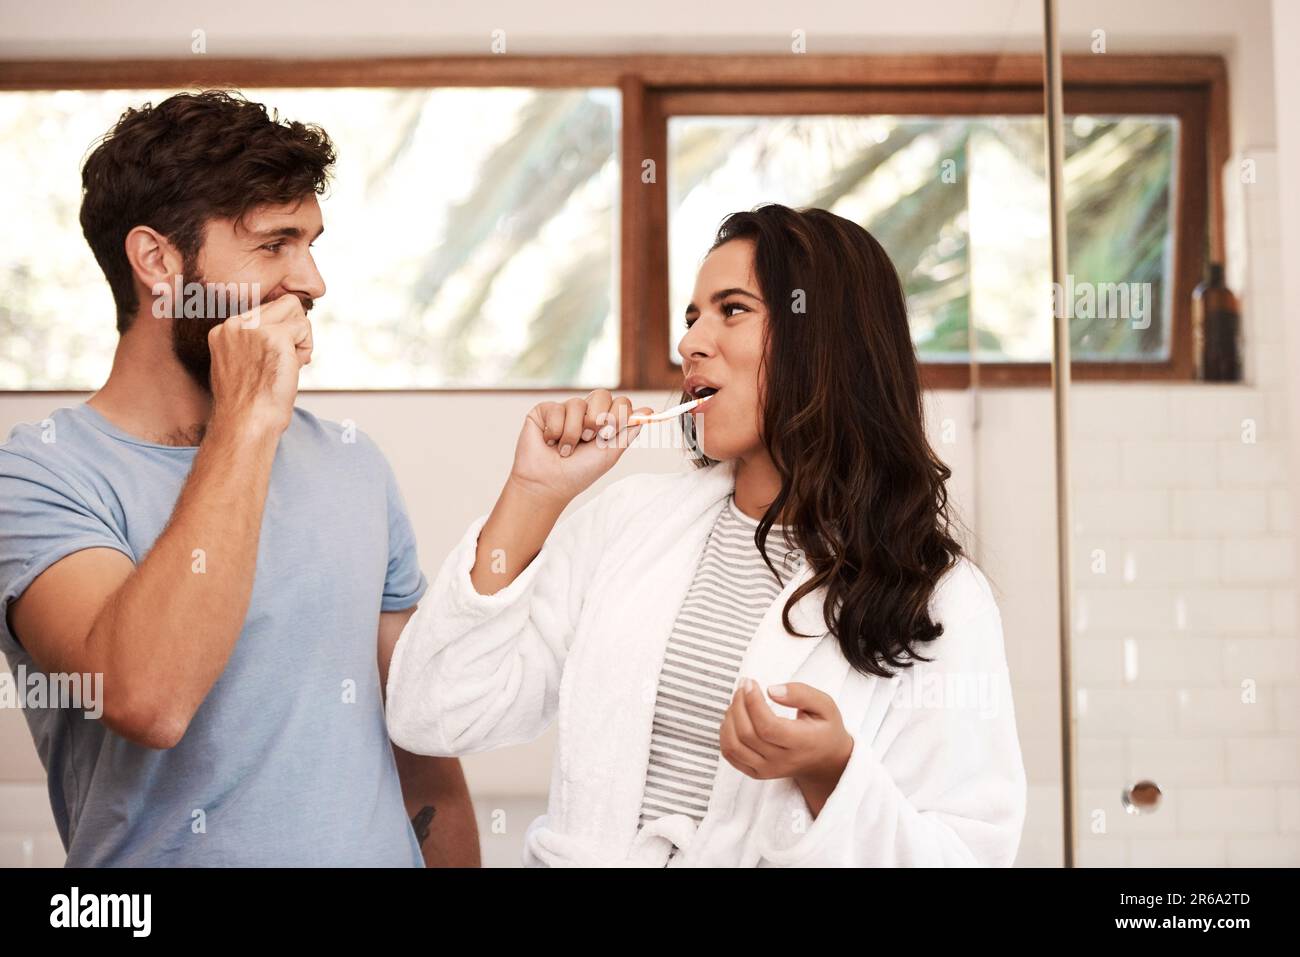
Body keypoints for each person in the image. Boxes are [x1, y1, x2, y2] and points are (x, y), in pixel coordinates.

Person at [385, 203, 1028, 867]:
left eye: (733, 309)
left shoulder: (941, 597)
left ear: (826, 339)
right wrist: (532, 495)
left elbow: (967, 853)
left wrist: (832, 774)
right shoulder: (625, 525)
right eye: (692, 317)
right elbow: (429, 711)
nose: (689, 343)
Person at [0, 90, 478, 866]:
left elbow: (418, 742)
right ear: (159, 262)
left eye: (312, 242)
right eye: (274, 244)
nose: (313, 279)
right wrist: (246, 422)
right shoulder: (39, 475)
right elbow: (146, 698)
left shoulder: (354, 462)